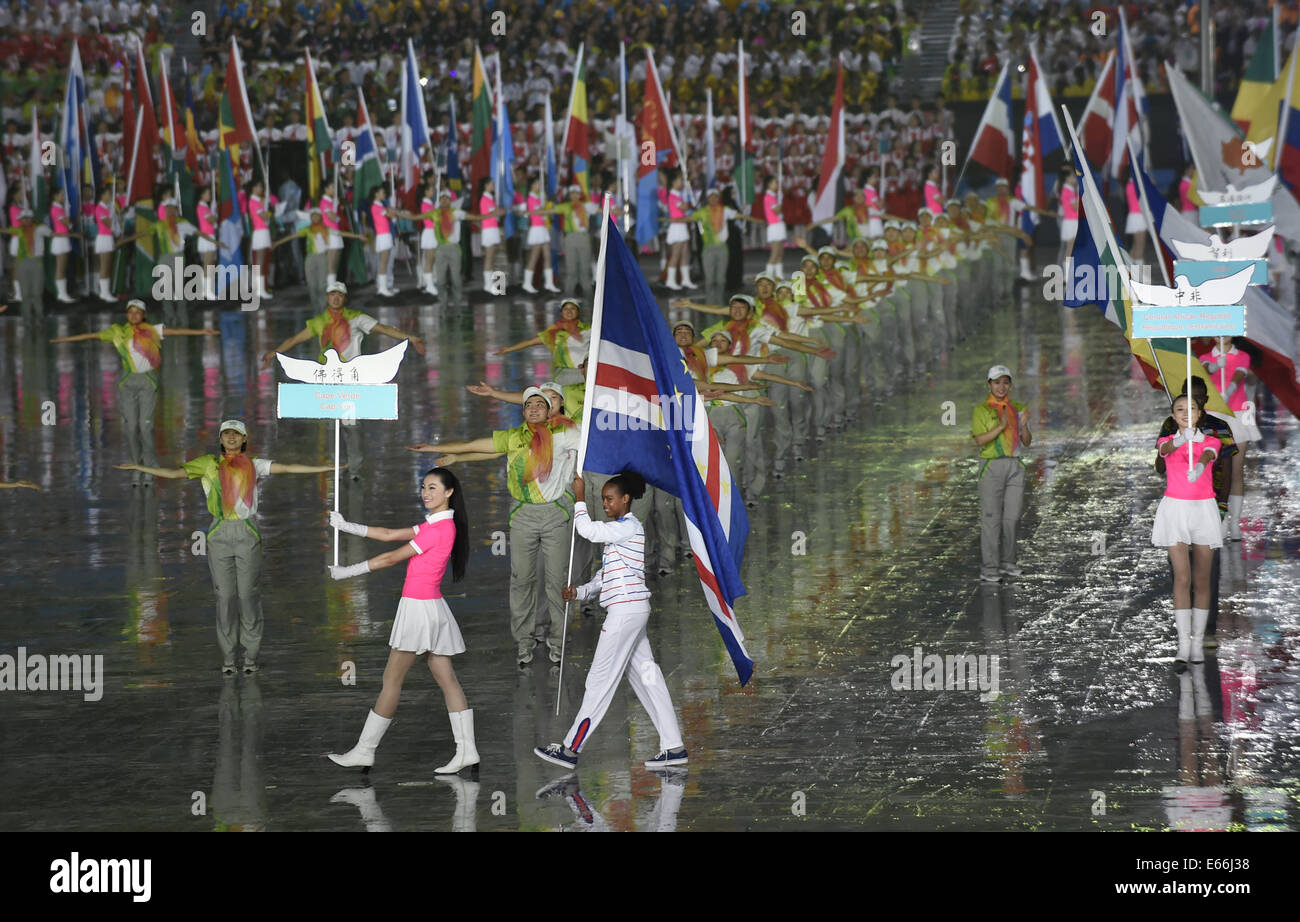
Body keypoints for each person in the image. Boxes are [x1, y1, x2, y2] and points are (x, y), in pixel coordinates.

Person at [115, 420, 335, 674]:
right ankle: (229, 659)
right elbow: (175, 473)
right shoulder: (208, 463)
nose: (231, 438)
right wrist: (139, 467)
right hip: (218, 533)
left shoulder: (255, 464)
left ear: (244, 439)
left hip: (246, 531)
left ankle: (251, 657)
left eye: (236, 434)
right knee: (225, 598)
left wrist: (325, 468)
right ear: (220, 439)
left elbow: (287, 468)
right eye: (226, 434)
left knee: (247, 596)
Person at [407, 387, 580, 665]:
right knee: (521, 580)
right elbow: (475, 445)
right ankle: (524, 644)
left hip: (555, 515)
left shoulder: (567, 434)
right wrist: (434, 448)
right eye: (528, 405)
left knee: (556, 582)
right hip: (522, 515)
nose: (534, 409)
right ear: (523, 412)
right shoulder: (514, 437)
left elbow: (595, 450)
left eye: (540, 404)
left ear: (550, 411)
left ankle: (558, 643)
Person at [325, 467, 479, 775]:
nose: (425, 493)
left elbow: (391, 557)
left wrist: (347, 572)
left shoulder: (438, 530)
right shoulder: (436, 524)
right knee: (446, 678)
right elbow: (389, 534)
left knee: (391, 681)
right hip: (430, 608)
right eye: (424, 487)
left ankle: (364, 751)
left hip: (419, 611)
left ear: (449, 492)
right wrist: (346, 526)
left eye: (433, 488)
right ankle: (467, 751)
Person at [534, 472, 688, 771]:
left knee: (599, 681)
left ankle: (570, 748)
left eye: (609, 499)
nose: (604, 503)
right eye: (602, 499)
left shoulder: (629, 527)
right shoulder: (621, 532)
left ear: (626, 499)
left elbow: (587, 530)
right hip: (632, 610)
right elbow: (606, 577)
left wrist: (579, 496)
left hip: (624, 614)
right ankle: (674, 747)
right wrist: (579, 592)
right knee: (648, 677)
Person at [261, 281, 426, 479]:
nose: (335, 297)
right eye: (332, 294)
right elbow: (295, 340)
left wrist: (411, 338)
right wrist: (273, 353)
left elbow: (383, 328)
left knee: (352, 427)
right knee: (332, 428)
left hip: (351, 381)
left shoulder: (356, 318)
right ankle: (335, 467)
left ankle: (354, 470)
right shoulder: (320, 321)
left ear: (345, 298)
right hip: (328, 380)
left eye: (339, 294)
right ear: (327, 297)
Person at [50, 299, 219, 485]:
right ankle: (136, 466)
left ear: (143, 314)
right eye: (130, 312)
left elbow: (176, 332)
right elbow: (92, 336)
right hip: (127, 382)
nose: (133, 315)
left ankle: (151, 468)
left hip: (147, 381)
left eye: (137, 312)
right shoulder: (118, 332)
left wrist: (203, 331)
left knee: (145, 427)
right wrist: (63, 339)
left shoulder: (151, 331)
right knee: (131, 428)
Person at [1156, 376, 1235, 650]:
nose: (1191, 406)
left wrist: (1224, 503)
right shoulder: (1169, 427)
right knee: (1181, 574)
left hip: (1208, 505)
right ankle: (1183, 634)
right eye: (1184, 403)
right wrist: (1178, 441)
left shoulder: (1219, 429)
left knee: (1206, 574)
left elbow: (1223, 463)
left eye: (1198, 400)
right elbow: (1160, 459)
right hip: (1177, 506)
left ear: (1204, 404)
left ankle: (1207, 628)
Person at [971, 365, 1032, 582]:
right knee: (991, 518)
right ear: (989, 384)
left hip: (1015, 466)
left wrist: (1023, 426)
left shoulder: (1019, 407)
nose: (1001, 387)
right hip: (991, 466)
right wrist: (1001, 427)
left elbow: (1026, 441)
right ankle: (989, 568)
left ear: (1010, 385)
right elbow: (979, 440)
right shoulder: (982, 410)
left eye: (1005, 382)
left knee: (1012, 518)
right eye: (996, 382)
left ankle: (1008, 562)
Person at [1198, 336, 1260, 541]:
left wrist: (1229, 390)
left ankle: (1235, 523)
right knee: (1218, 471)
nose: (1219, 335)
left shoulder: (1242, 355)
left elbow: (1240, 375)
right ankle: (1221, 519)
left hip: (1238, 416)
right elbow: (1205, 369)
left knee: (1235, 470)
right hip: (1215, 416)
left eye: (1224, 330)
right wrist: (1215, 368)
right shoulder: (1205, 357)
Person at [495, 298, 590, 385]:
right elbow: (530, 342)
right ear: (561, 312)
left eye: (573, 308)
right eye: (566, 309)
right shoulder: (554, 331)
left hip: (586, 372)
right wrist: (508, 349)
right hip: (564, 373)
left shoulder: (590, 329)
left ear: (578, 311)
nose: (569, 311)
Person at [519, 176, 563, 294]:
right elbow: (535, 213)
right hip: (536, 229)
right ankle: (527, 283)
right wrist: (547, 210)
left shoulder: (538, 198)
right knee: (534, 256)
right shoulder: (530, 199)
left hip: (542, 228)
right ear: (532, 185)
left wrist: (545, 207)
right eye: (538, 183)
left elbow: (540, 212)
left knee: (547, 255)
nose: (540, 186)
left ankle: (549, 283)